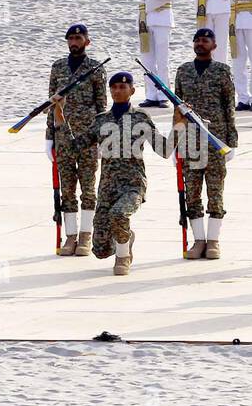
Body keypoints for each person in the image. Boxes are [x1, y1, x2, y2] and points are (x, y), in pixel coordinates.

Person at [68, 71, 174, 276]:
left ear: (132, 91)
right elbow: (75, 147)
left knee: (118, 215)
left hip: (133, 183)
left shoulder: (141, 118)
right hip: (107, 186)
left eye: (122, 87)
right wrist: (59, 117)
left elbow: (164, 150)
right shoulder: (101, 120)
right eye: (114, 87)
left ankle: (123, 257)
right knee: (100, 248)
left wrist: (178, 124)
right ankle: (126, 238)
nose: (118, 91)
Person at [173, 28, 238, 259]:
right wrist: (175, 143)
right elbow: (177, 111)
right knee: (192, 193)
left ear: (214, 45)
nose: (200, 43)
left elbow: (229, 107)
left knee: (215, 192)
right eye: (197, 40)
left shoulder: (222, 71)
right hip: (189, 141)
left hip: (215, 140)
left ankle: (213, 241)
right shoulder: (183, 71)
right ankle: (198, 240)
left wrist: (232, 142)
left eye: (205, 40)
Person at [44, 23, 107, 256]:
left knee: (88, 189)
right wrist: (49, 137)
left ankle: (85, 236)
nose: (74, 42)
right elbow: (51, 104)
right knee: (67, 189)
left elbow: (102, 106)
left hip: (88, 136)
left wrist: (102, 137)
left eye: (78, 38)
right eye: (70, 38)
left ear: (87, 41)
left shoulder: (96, 68)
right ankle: (70, 236)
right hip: (62, 136)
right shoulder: (58, 67)